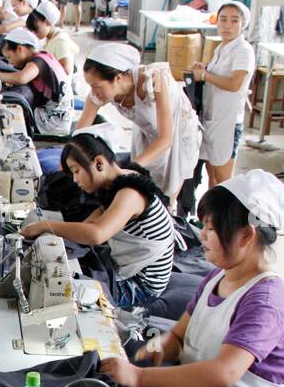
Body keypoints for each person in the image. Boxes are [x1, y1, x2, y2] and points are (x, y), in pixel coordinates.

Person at [100, 171, 284, 387]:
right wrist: (155, 348)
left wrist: (138, 376)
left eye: (211, 228)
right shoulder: (217, 276)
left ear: (245, 235)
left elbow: (224, 373)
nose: (202, 236)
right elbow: (180, 336)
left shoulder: (265, 303)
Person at [21, 132, 175, 309]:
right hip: (126, 268)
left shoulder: (131, 194)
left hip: (141, 285)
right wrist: (47, 230)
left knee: (58, 295)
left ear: (99, 163)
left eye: (76, 171)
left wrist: (44, 226)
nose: (75, 179)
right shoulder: (120, 181)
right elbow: (90, 225)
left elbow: (96, 234)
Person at [77, 41, 202, 211]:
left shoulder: (156, 80)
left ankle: (167, 218)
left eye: (96, 86)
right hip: (147, 131)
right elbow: (80, 134)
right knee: (141, 187)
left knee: (164, 193)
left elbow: (166, 139)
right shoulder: (99, 94)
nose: (93, 91)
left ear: (118, 78)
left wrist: (131, 166)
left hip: (177, 133)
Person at [194, 1, 255, 187]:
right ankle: (209, 216)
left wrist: (205, 75)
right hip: (213, 119)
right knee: (212, 176)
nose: (227, 25)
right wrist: (204, 69)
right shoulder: (222, 48)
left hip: (228, 123)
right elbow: (218, 76)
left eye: (234, 20)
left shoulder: (243, 51)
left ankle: (223, 216)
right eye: (223, 19)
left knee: (224, 181)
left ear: (242, 24)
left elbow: (235, 84)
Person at [0, 27, 74, 137]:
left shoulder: (38, 61)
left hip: (54, 122)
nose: (9, 63)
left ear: (20, 49)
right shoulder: (44, 55)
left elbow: (21, 78)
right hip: (60, 117)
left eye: (9, 57)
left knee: (12, 116)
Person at [27, 0, 77, 76]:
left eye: (36, 29)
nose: (34, 34)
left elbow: (66, 71)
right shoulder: (48, 37)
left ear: (48, 22)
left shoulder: (60, 41)